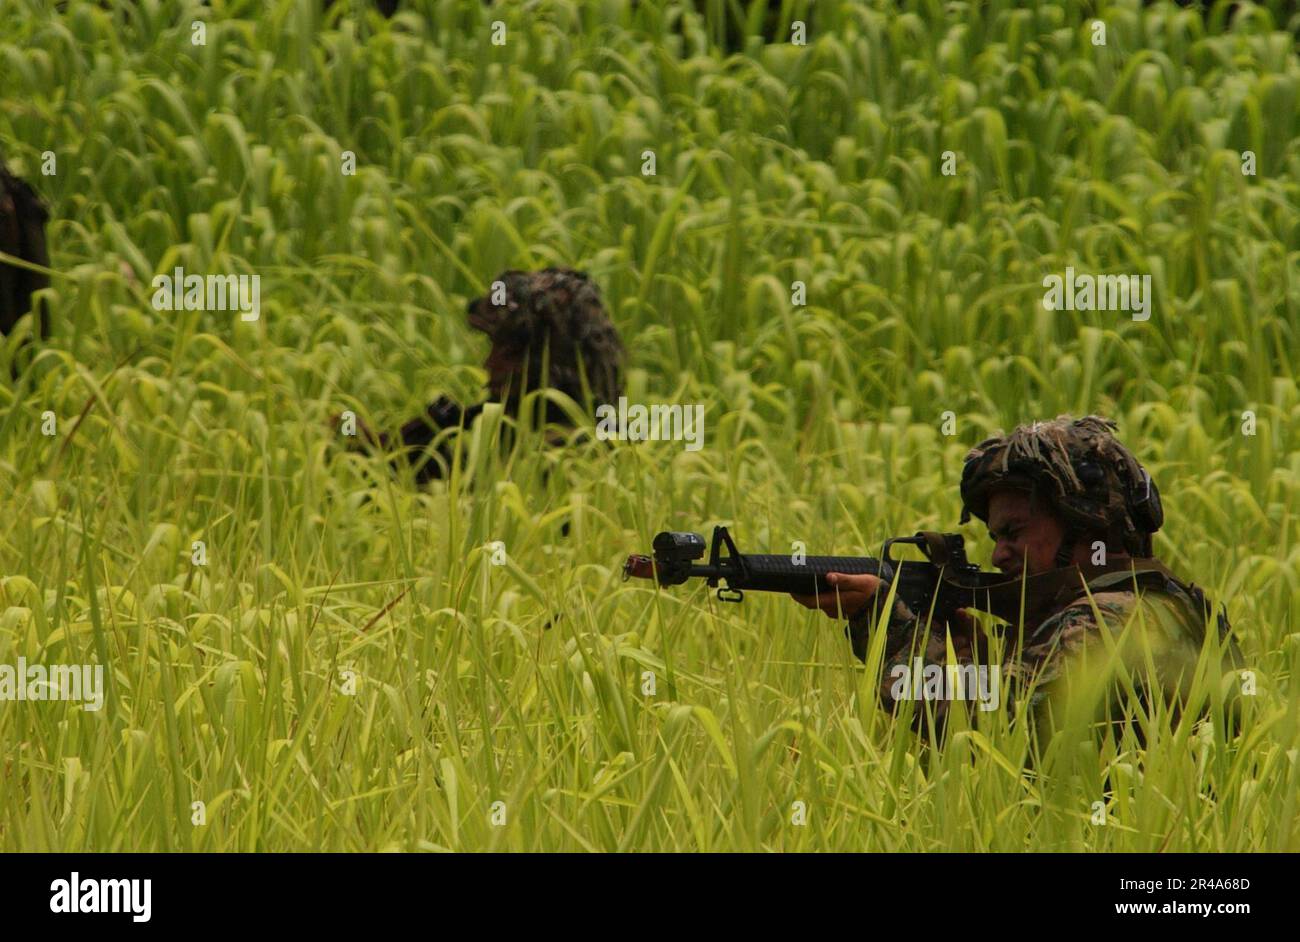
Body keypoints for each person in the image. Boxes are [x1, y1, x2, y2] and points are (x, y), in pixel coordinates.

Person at [792, 415, 1239, 738]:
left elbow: (998, 728)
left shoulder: (1103, 620)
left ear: (1084, 524)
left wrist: (888, 625)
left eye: (1014, 532)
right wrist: (981, 661)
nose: (999, 553)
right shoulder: (1171, 605)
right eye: (994, 535)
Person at [348, 266, 624, 483]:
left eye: (511, 353)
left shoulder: (597, 454)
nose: (490, 365)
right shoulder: (486, 429)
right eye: (495, 348)